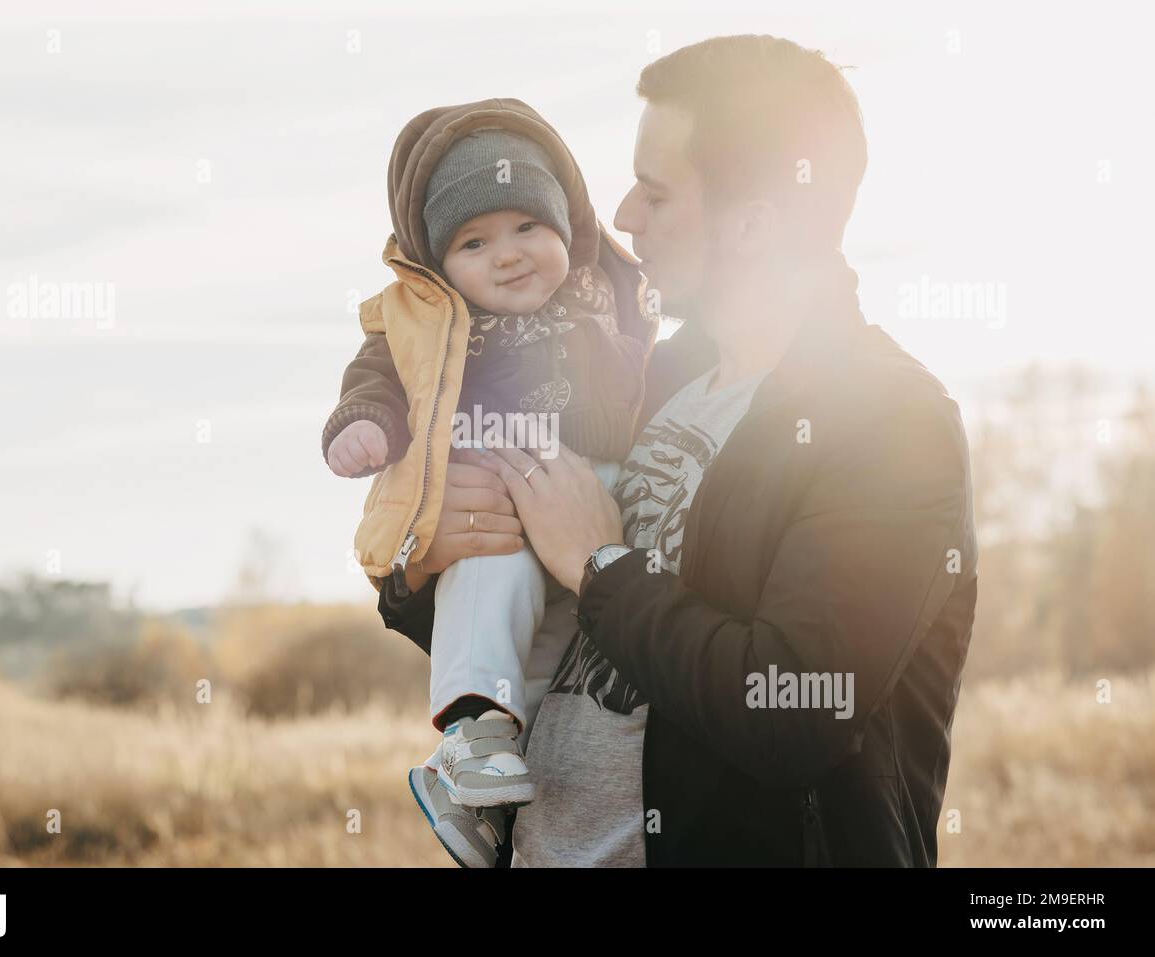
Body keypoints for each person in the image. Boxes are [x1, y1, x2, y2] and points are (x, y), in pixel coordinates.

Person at [377, 35, 978, 867]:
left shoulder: (889, 421)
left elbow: (793, 713)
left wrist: (601, 562)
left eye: (656, 193)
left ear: (756, 222)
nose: (622, 216)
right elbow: (534, 619)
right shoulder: (645, 380)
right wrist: (417, 561)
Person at [321, 99, 656, 865]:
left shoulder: (614, 300)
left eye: (528, 228)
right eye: (475, 241)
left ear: (567, 226)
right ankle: (472, 736)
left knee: (550, 673)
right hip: (500, 484)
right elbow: (378, 376)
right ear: (439, 265)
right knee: (488, 578)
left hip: (599, 499)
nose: (508, 254)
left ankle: (484, 803)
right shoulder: (433, 324)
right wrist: (364, 425)